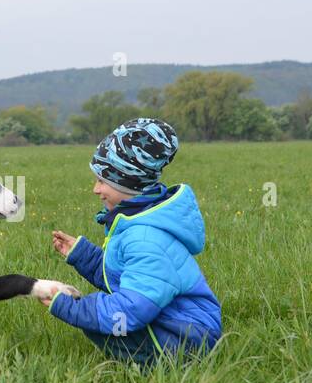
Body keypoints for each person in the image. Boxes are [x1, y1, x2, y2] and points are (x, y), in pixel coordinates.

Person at [42, 118, 222, 366]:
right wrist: (81, 254)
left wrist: (71, 308)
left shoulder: (146, 239)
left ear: (128, 182)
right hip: (178, 327)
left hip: (188, 340)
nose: (95, 189)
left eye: (102, 180)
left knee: (102, 323)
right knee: (98, 320)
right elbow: (123, 276)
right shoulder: (139, 221)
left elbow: (130, 311)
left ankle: (158, 369)